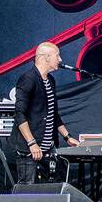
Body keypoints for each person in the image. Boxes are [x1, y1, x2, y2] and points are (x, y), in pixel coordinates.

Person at [11, 42, 81, 186]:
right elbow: (19, 114)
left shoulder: (50, 80)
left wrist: (67, 137)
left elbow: (53, 113)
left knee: (47, 190)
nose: (60, 60)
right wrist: (32, 143)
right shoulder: (28, 79)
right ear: (47, 57)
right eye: (57, 55)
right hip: (30, 149)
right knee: (27, 190)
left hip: (47, 148)